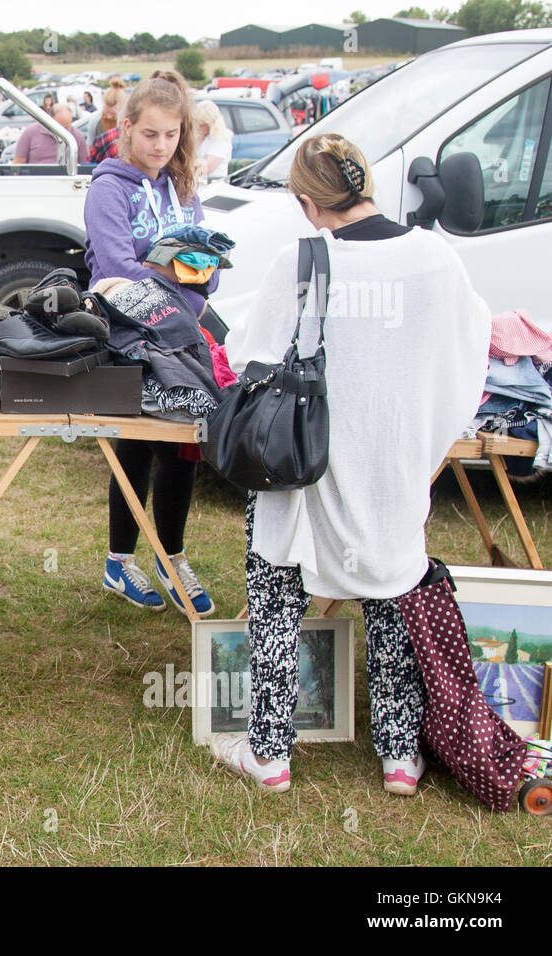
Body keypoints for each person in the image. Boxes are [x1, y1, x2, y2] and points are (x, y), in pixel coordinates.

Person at [209, 133, 490, 796]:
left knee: (277, 592)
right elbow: (465, 350)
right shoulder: (435, 258)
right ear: (366, 185)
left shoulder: (302, 259)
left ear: (308, 202)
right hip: (394, 461)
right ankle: (399, 757)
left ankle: (270, 753)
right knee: (392, 593)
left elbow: (255, 350)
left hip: (307, 461)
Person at [83, 70, 219, 616]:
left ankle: (171, 556)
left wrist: (179, 270)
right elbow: (119, 272)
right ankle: (120, 561)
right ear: (125, 128)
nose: (161, 146)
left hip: (185, 338)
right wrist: (177, 272)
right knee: (137, 445)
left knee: (184, 445)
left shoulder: (183, 187)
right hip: (132, 341)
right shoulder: (107, 188)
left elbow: (210, 268)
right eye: (150, 134)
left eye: (171, 135)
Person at [14, 103, 87, 165]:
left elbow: (83, 165)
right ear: (50, 120)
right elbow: (18, 163)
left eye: (67, 127)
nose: (64, 131)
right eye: (61, 127)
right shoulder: (30, 132)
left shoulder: (77, 137)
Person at [193, 99, 232, 184]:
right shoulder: (199, 136)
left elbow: (207, 168)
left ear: (211, 124)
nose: (197, 127)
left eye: (202, 125)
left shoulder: (221, 139)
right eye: (196, 122)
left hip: (213, 186)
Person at [89, 79, 126, 162]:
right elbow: (91, 151)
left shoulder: (128, 123)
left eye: (113, 115)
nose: (109, 117)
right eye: (106, 113)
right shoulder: (95, 120)